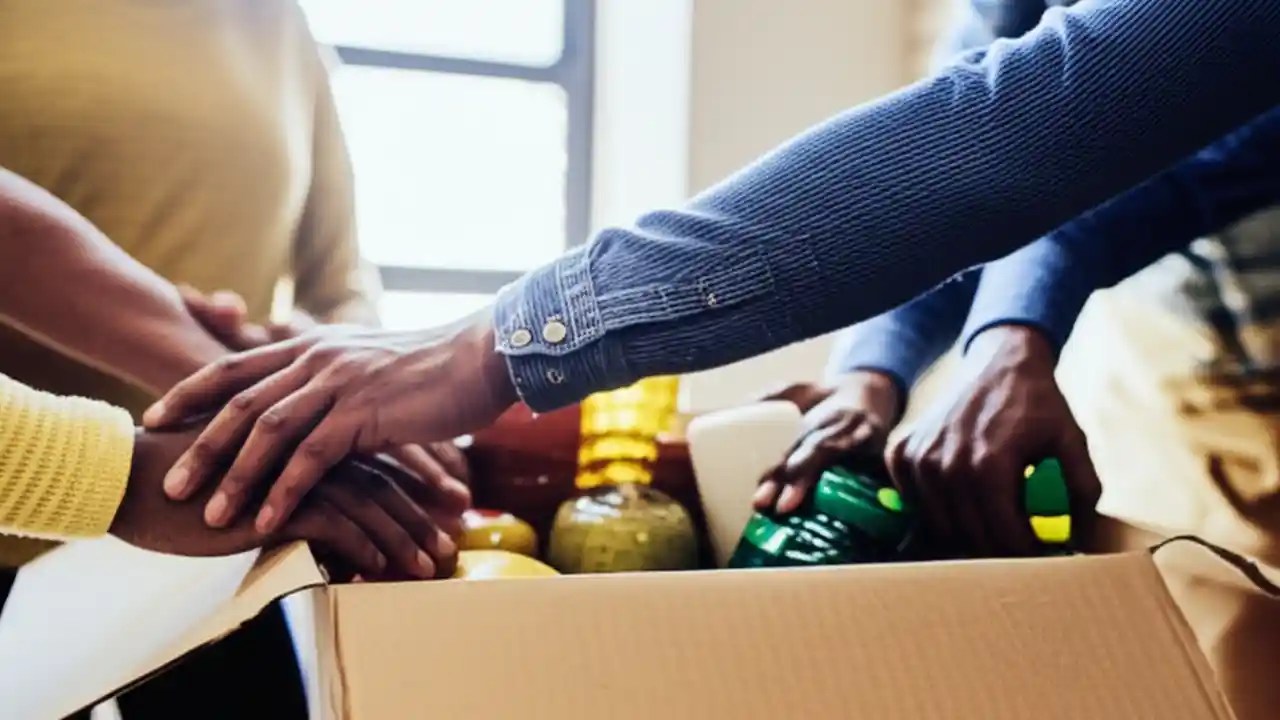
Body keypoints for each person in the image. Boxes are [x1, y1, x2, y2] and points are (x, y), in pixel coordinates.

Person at [146, 0, 1280, 536]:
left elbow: (1042, 127)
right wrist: (870, 373)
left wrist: (487, 349)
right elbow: (986, 92)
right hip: (1162, 406)